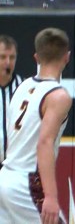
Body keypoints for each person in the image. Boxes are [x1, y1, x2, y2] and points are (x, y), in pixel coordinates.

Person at [0, 28, 72, 224]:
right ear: (67, 57)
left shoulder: (21, 87)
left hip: (6, 177)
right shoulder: (59, 96)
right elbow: (45, 142)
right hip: (28, 182)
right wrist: (50, 196)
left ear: (36, 57)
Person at [0, 35, 22, 163]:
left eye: (12, 57)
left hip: (15, 166)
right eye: (2, 57)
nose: (8, 62)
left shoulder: (25, 88)